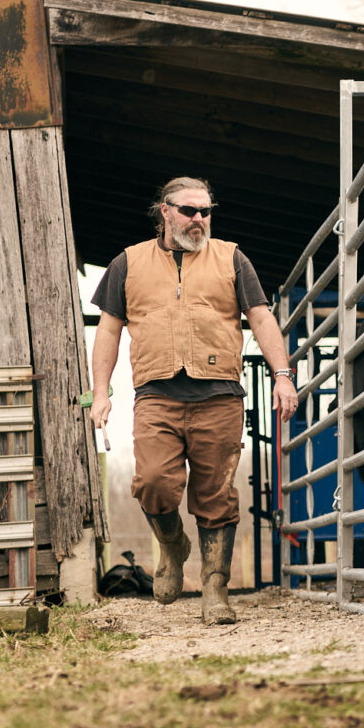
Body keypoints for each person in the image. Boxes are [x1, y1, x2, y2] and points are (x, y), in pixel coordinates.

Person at [88, 177, 297, 624]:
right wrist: (100, 392)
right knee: (153, 484)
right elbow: (107, 330)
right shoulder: (128, 263)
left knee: (215, 494)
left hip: (219, 396)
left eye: (206, 211)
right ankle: (172, 546)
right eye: (189, 211)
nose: (199, 220)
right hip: (157, 396)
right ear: (164, 212)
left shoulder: (231, 258)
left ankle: (215, 589)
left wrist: (282, 375)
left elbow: (260, 317)